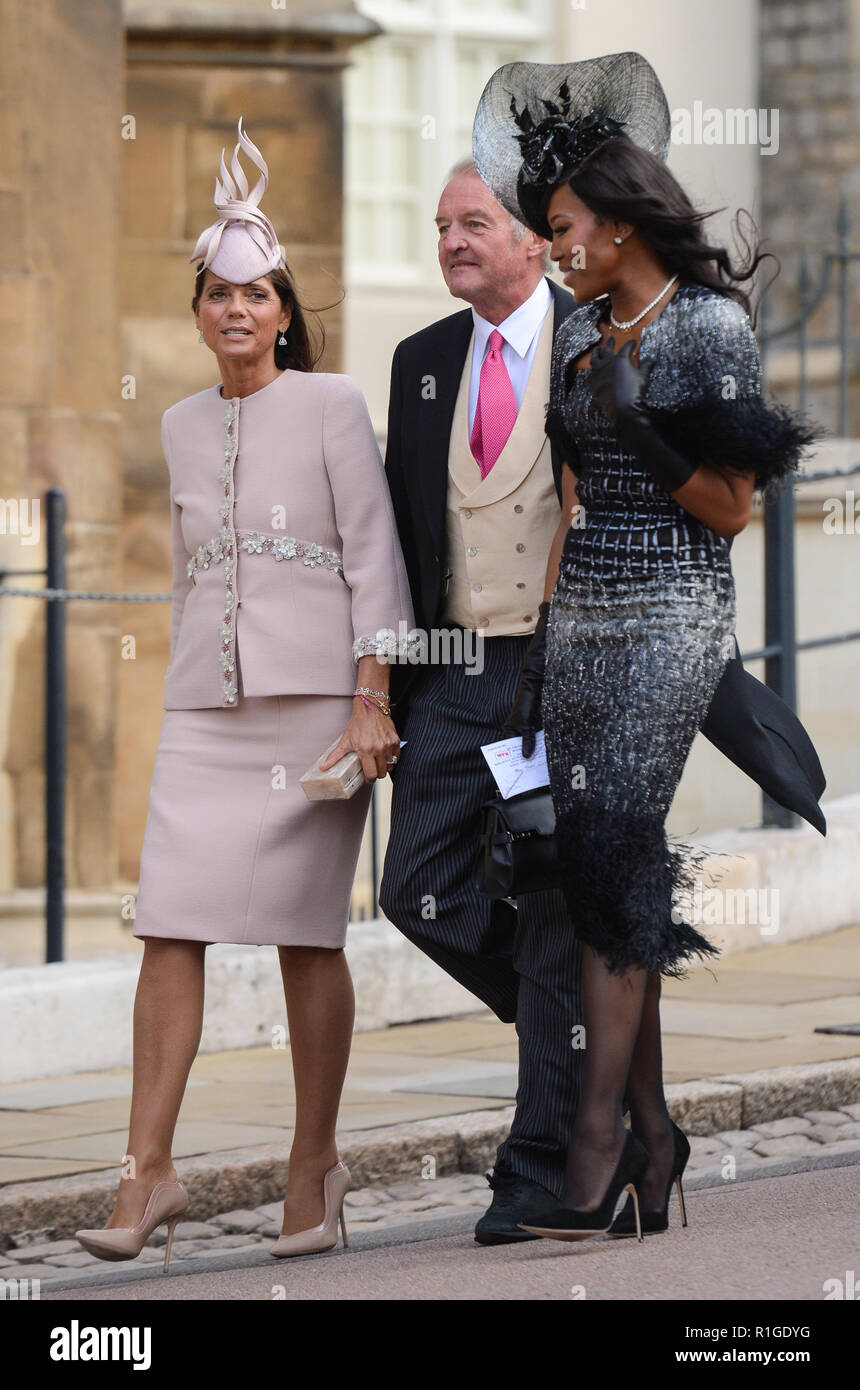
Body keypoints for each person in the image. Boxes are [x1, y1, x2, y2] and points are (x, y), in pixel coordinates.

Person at [471, 52, 823, 1242]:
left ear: (618, 225)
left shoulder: (708, 330)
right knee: (602, 880)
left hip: (671, 621)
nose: (548, 244)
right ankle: (656, 1140)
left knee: (615, 853)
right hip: (580, 627)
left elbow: (727, 509)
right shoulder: (575, 330)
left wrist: (637, 420)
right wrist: (539, 637)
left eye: (560, 226)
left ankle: (594, 1152)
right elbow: (572, 500)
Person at [75, 120, 414, 1271]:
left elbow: (375, 557)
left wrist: (371, 699)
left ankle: (312, 1167)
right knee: (166, 922)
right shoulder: (173, 424)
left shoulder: (329, 406)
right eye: (217, 293)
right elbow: (182, 574)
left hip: (318, 711)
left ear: (282, 310)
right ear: (199, 309)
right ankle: (146, 1171)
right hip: (203, 715)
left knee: (302, 941)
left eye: (256, 293)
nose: (234, 311)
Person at [379, 154, 587, 1243]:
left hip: (562, 669)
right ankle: (582, 1018)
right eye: (440, 224)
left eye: (473, 223)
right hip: (454, 670)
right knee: (411, 887)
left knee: (551, 906)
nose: (451, 240)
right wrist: (379, 686)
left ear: (533, 240)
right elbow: (392, 544)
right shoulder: (419, 364)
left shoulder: (592, 343)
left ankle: (540, 1159)